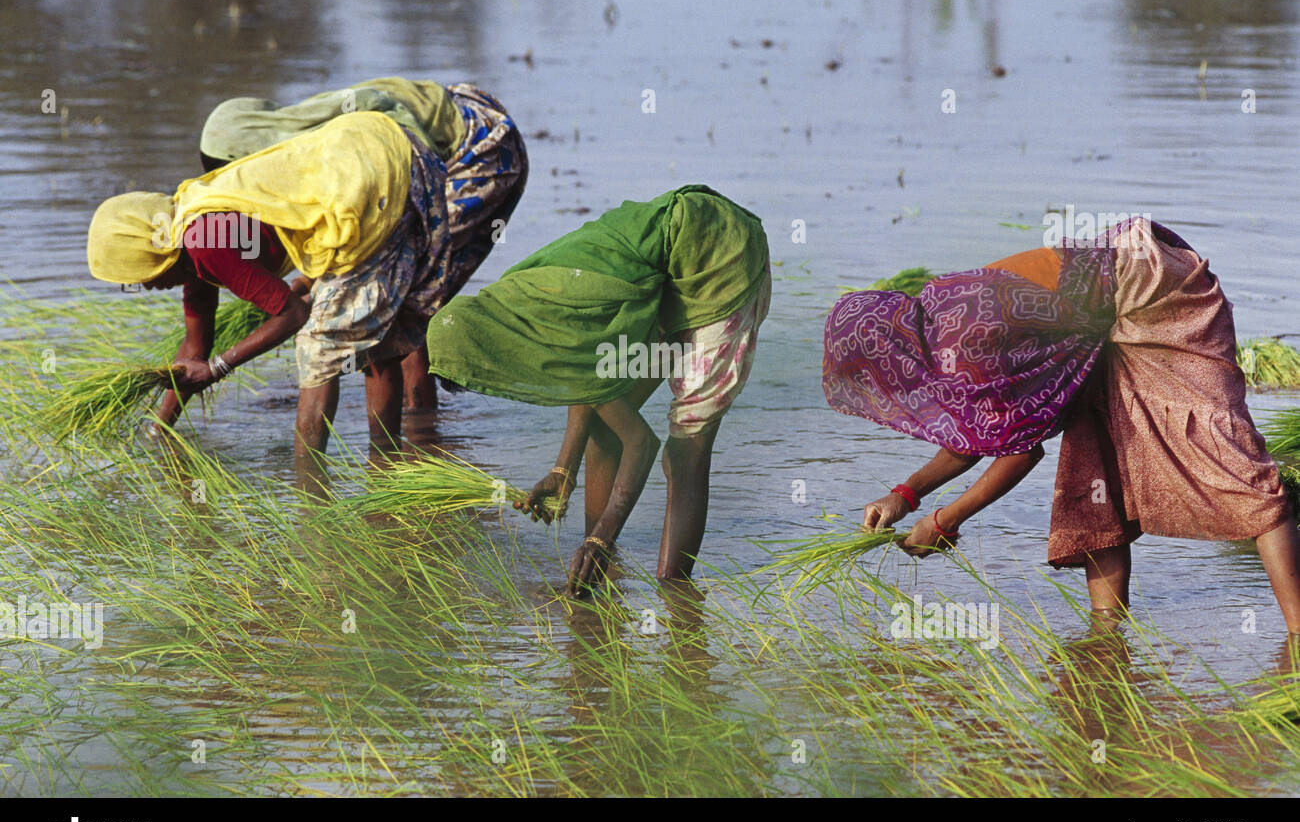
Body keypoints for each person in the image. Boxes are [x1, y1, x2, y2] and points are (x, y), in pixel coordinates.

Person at [823, 215, 1300, 634]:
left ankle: (1298, 632)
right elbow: (985, 433)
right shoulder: (934, 318)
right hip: (1103, 314)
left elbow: (1020, 451)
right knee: (1094, 472)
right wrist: (904, 495)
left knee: (1229, 458)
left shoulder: (961, 341)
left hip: (1154, 290)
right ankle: (1107, 641)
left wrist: (943, 521)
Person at [425, 185, 771, 595]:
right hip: (667, 268)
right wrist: (562, 470)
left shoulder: (534, 314)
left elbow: (641, 442)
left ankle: (677, 596)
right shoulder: (514, 309)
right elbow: (587, 379)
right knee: (606, 431)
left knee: (687, 448)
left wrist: (600, 535)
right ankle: (599, 570)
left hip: (721, 256)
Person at [86, 110, 453, 462]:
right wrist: (159, 428)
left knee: (318, 346)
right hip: (383, 152)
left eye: (134, 276)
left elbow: (293, 314)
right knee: (378, 345)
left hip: (372, 177)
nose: (139, 286)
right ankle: (387, 467)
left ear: (148, 254)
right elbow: (195, 349)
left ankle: (309, 489)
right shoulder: (189, 236)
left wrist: (218, 368)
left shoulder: (204, 241)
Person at [198, 77, 529, 410]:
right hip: (465, 130)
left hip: (483, 149)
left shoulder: (320, 136)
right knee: (399, 303)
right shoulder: (300, 129)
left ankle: (421, 434)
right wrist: (314, 280)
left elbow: (397, 166)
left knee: (398, 306)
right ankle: (418, 434)